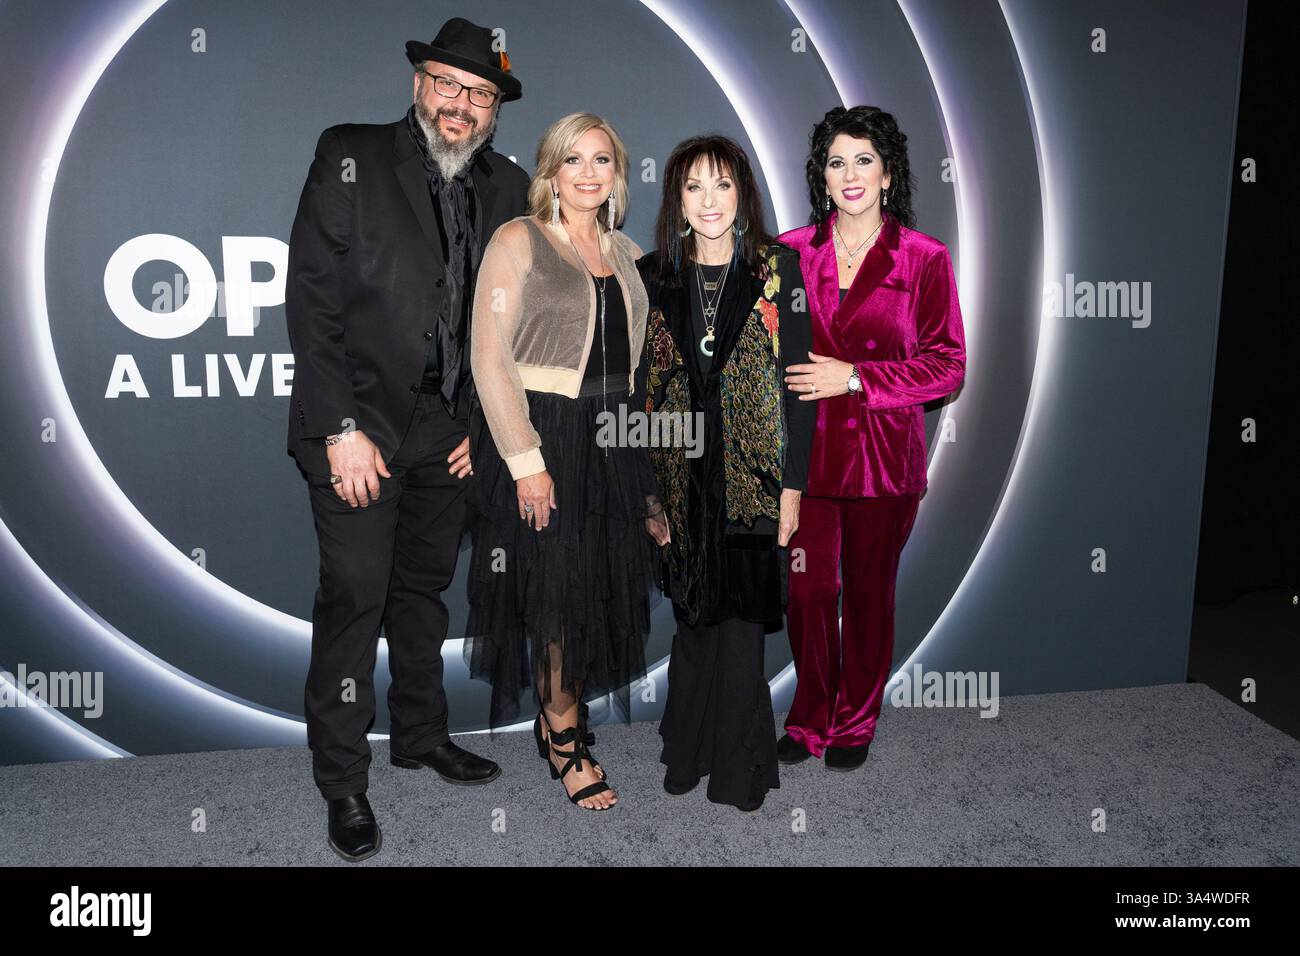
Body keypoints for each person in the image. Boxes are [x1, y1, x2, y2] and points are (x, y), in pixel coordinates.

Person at [285, 17, 530, 862]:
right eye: (447, 83)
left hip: (447, 431)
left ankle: (422, 735)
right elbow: (312, 301)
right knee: (354, 595)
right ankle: (344, 782)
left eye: (481, 93)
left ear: (495, 110)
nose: (461, 104)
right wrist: (340, 429)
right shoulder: (348, 154)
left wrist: (479, 427)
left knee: (425, 592)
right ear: (418, 84)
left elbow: (509, 326)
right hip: (358, 424)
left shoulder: (508, 185)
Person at [466, 112, 670, 811]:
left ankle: (565, 716)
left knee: (596, 589)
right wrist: (526, 460)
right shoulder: (518, 239)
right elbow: (490, 358)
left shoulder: (627, 251)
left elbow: (644, 370)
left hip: (616, 438)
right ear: (550, 170)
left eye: (602, 160)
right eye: (573, 160)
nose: (588, 173)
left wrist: (650, 484)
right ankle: (562, 738)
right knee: (554, 591)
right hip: (546, 433)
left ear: (619, 172)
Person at [778, 105, 966, 771]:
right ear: (821, 176)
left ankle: (855, 721)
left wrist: (855, 378)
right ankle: (809, 717)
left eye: (864, 160)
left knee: (866, 594)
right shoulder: (790, 251)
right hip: (806, 462)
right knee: (806, 591)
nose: (850, 174)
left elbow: (948, 366)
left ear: (888, 174)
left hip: (885, 464)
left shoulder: (924, 259)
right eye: (836, 161)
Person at [635, 136, 815, 811]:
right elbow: (639, 389)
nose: (709, 201)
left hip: (755, 479)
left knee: (741, 621)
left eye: (722, 185)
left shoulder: (779, 271)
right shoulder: (654, 276)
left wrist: (793, 487)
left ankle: (740, 769)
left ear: (742, 195)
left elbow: (799, 386)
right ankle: (688, 750)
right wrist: (649, 494)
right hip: (679, 481)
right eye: (693, 187)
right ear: (677, 200)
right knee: (693, 617)